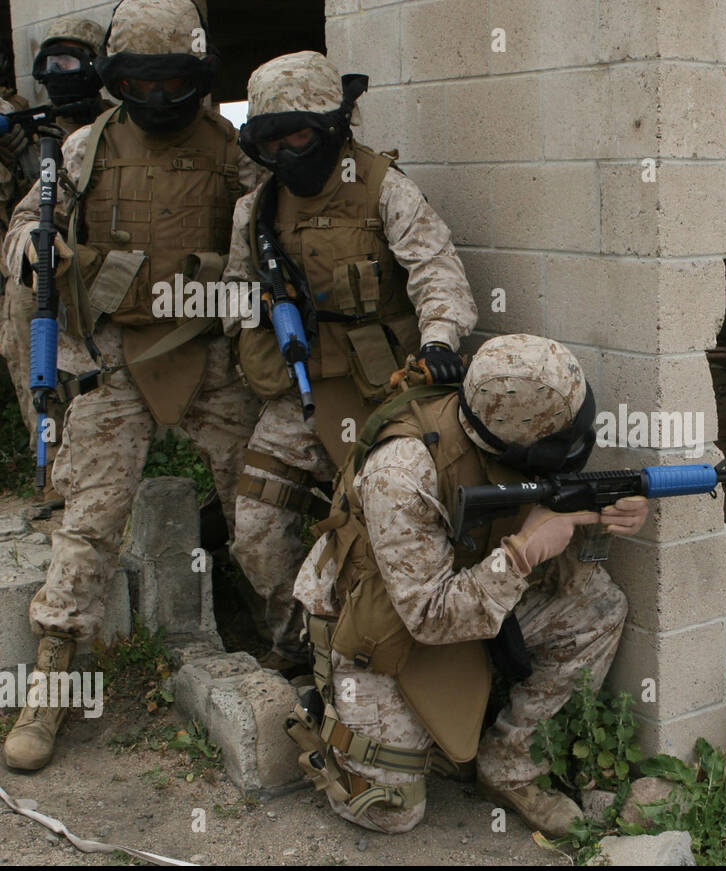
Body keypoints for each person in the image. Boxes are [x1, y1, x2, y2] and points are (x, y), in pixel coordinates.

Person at [0, 0, 262, 772]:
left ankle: (292, 647)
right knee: (89, 519)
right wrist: (34, 246)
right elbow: (19, 227)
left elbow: (275, 224)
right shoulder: (85, 148)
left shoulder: (232, 150)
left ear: (197, 78)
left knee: (261, 507)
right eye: (139, 84)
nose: (155, 100)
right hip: (114, 354)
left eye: (170, 83)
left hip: (207, 349)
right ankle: (50, 687)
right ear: (117, 81)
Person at [288, 334, 647, 836]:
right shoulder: (402, 472)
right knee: (390, 809)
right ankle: (321, 711)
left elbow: (531, 498)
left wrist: (607, 509)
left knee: (597, 608)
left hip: (466, 583)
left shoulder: (496, 412)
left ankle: (509, 767)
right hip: (377, 621)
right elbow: (428, 617)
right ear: (517, 440)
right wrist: (522, 554)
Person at [223, 51, 478, 677]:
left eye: (300, 136)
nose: (287, 153)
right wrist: (257, 308)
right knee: (255, 521)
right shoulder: (254, 211)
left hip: (383, 392)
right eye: (272, 141)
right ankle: (297, 644)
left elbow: (436, 272)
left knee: (391, 532)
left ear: (335, 125)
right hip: (300, 391)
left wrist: (440, 342)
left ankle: (388, 657)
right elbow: (230, 289)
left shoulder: (384, 187)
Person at [0, 16, 114, 493]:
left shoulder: (116, 126)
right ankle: (47, 465)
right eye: (50, 63)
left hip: (106, 265)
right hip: (49, 264)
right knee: (25, 335)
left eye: (70, 60)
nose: (58, 70)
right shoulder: (28, 129)